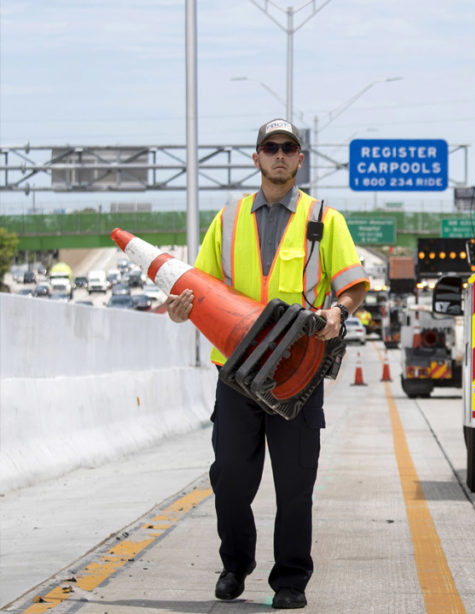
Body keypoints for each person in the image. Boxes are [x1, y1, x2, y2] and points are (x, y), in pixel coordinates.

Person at [165, 118, 368, 609]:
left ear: (300, 159)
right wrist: (180, 307)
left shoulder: (325, 219)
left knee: (295, 485)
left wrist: (339, 313)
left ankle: (291, 581)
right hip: (236, 373)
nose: (280, 154)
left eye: (289, 147)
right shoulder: (227, 219)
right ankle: (235, 565)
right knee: (230, 478)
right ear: (256, 158)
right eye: (270, 147)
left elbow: (354, 284)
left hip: (296, 375)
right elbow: (201, 290)